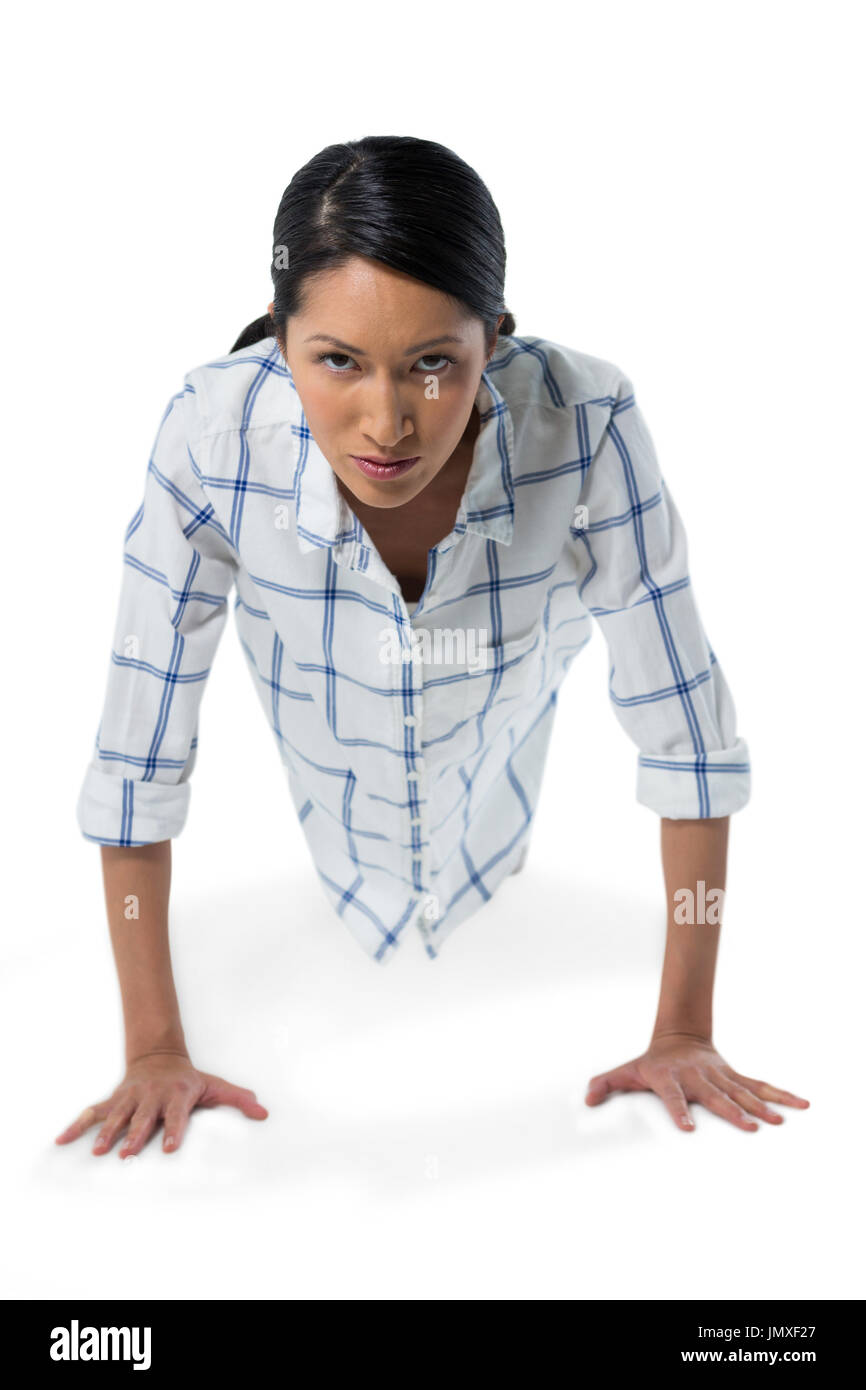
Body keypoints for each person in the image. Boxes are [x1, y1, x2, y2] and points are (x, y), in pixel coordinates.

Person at [57, 135, 809, 1160]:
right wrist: (152, 1046)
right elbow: (136, 756)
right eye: (336, 361)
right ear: (280, 342)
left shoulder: (585, 421)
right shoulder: (208, 433)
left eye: (430, 365)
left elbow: (685, 732)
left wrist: (682, 1027)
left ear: (490, 341)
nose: (387, 422)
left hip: (498, 837)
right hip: (330, 846)